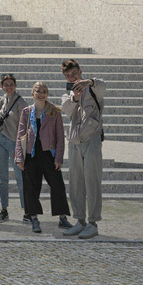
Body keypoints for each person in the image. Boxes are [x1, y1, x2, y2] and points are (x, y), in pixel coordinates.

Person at [18, 82, 71, 232]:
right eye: (38, 91)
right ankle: (34, 218)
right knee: (31, 188)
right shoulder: (26, 112)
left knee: (58, 185)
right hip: (31, 154)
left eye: (44, 91)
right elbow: (20, 135)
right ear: (32, 93)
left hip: (49, 154)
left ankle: (63, 218)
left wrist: (59, 158)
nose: (41, 94)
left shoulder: (54, 111)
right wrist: (19, 158)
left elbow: (60, 136)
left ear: (47, 94)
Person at [61, 60, 104, 237]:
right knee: (76, 183)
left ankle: (93, 222)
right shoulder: (67, 94)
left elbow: (103, 85)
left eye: (74, 73)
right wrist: (75, 97)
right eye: (68, 75)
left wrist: (90, 82)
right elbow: (67, 110)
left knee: (92, 181)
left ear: (80, 71)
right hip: (73, 142)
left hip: (92, 139)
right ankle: (80, 220)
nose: (72, 78)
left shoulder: (94, 88)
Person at [0, 73, 25, 223]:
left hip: (14, 141)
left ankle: (26, 210)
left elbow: (25, 124)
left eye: (11, 84)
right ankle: (4, 209)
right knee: (1, 178)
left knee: (20, 178)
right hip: (0, 140)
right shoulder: (2, 100)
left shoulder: (21, 101)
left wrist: (22, 145)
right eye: (6, 85)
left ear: (15, 85)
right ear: (2, 87)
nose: (8, 87)